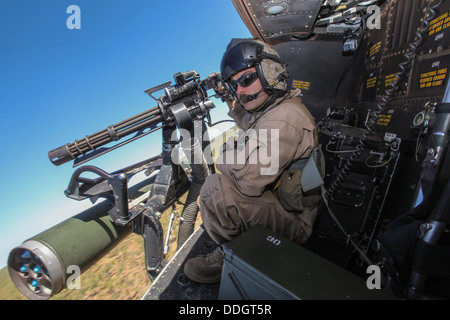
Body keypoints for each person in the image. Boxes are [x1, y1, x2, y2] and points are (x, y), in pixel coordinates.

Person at [183, 38, 324, 284]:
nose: (240, 91)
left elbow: (248, 179)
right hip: (286, 206)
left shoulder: (284, 118)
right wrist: (228, 99)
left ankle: (233, 255)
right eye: (234, 86)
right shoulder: (277, 108)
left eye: (246, 80)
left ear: (270, 72)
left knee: (215, 189)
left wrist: (227, 148)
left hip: (298, 224)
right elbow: (250, 121)